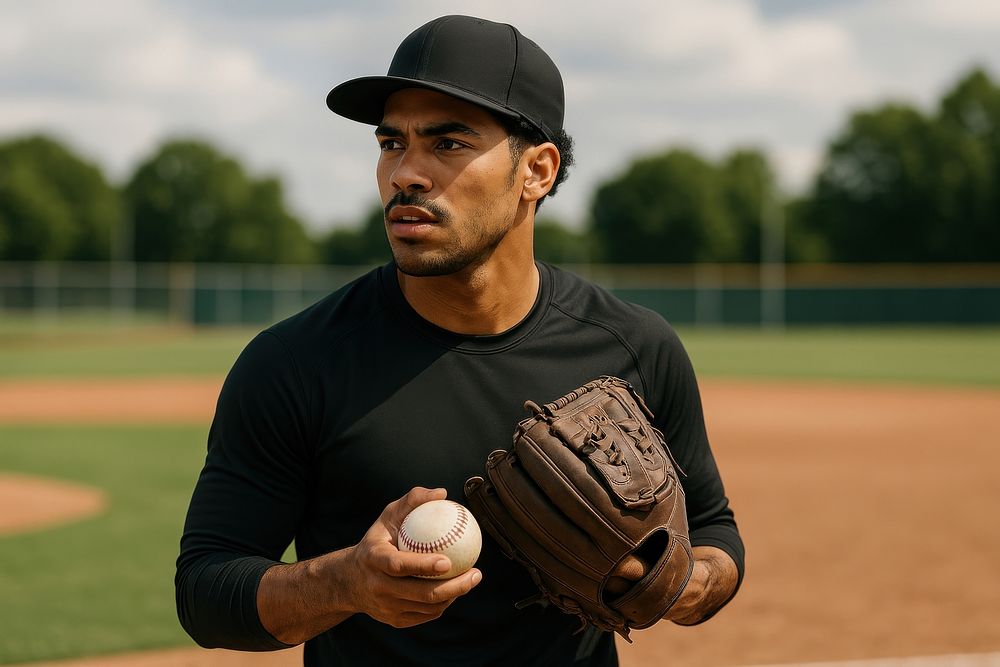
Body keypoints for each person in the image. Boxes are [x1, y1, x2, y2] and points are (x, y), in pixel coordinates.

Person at [176, 14, 744, 667]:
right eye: (392, 143)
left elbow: (716, 532)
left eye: (447, 144)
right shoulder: (295, 362)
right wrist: (346, 581)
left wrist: (676, 581)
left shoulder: (635, 345)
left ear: (537, 170)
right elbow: (205, 592)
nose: (405, 174)